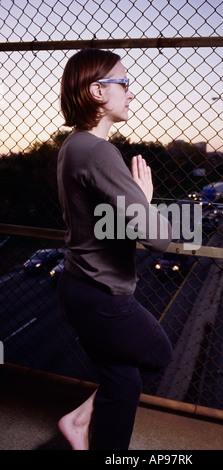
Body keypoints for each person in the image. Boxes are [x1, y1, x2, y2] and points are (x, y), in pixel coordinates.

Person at [56, 48, 173, 450]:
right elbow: (159, 238)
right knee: (158, 353)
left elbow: (106, 221)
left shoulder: (73, 145)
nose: (131, 93)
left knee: (124, 380)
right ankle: (82, 419)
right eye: (124, 83)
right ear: (97, 92)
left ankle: (78, 425)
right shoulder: (101, 152)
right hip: (103, 297)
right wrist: (145, 196)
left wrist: (131, 206)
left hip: (77, 287)